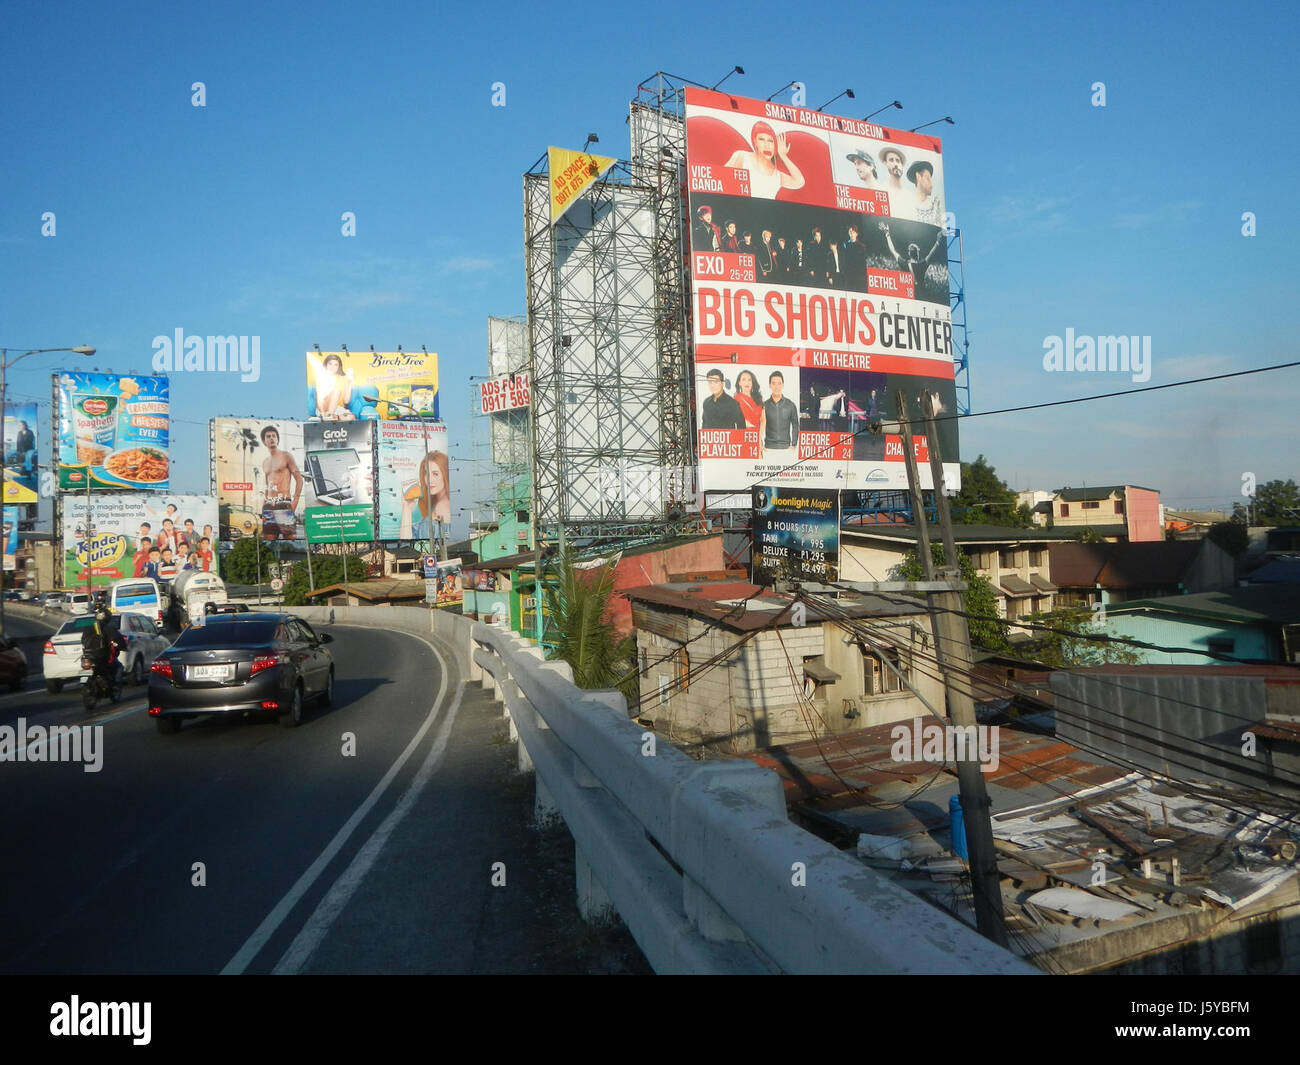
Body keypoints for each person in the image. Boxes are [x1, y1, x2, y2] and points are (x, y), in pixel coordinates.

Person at [723, 121, 805, 199]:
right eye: (761, 139)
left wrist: (783, 155)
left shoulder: (776, 175)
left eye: (770, 141)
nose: (767, 146)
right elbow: (721, 179)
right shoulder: (742, 156)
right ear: (755, 141)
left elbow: (799, 182)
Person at [260, 425, 303, 538]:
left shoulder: (286, 456)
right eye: (268, 436)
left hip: (284, 503)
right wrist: (263, 506)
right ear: (264, 442)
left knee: (290, 539)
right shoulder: (265, 462)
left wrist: (295, 501)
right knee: (269, 542)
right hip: (269, 505)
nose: (271, 438)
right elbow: (267, 485)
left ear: (278, 439)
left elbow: (298, 478)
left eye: (274, 436)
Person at [879, 220, 944, 292]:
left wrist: (887, 234)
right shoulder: (922, 264)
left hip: (909, 293)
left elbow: (893, 250)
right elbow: (931, 253)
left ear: (909, 254)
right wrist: (938, 241)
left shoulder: (905, 264)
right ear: (918, 253)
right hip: (922, 294)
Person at [400, 450, 452, 540]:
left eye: (435, 474)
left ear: (446, 474)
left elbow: (406, 542)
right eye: (426, 473)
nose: (429, 479)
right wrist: (407, 508)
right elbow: (406, 542)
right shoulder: (430, 506)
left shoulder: (444, 505)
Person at [81, 605, 127, 691]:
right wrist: (122, 646)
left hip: (88, 655)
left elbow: (83, 640)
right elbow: (118, 640)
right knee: (119, 667)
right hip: (103, 656)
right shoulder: (109, 629)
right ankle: (115, 685)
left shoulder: (88, 628)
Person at [759, 370, 800, 458]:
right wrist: (760, 443)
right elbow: (759, 425)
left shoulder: (791, 405)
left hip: (786, 449)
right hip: (768, 449)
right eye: (774, 383)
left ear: (783, 385)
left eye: (779, 383)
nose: (776, 387)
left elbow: (795, 425)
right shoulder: (764, 405)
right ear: (770, 385)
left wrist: (794, 444)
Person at [315, 353, 356, 420]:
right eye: (330, 364)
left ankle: (335, 417)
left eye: (335, 365)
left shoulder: (342, 378)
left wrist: (349, 383)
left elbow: (346, 401)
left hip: (338, 409)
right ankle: (329, 416)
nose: (332, 367)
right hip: (323, 408)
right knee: (336, 392)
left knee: (351, 417)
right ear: (326, 365)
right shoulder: (321, 378)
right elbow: (319, 399)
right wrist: (322, 412)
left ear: (339, 367)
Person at [906, 160, 944, 226]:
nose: (931, 185)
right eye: (928, 179)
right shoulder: (908, 204)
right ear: (918, 177)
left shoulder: (935, 205)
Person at [840, 223, 868, 290]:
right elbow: (843, 259)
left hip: (858, 275)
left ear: (856, 234)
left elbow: (863, 262)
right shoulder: (845, 245)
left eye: (853, 232)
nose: (851, 234)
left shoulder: (862, 246)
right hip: (848, 275)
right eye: (850, 232)